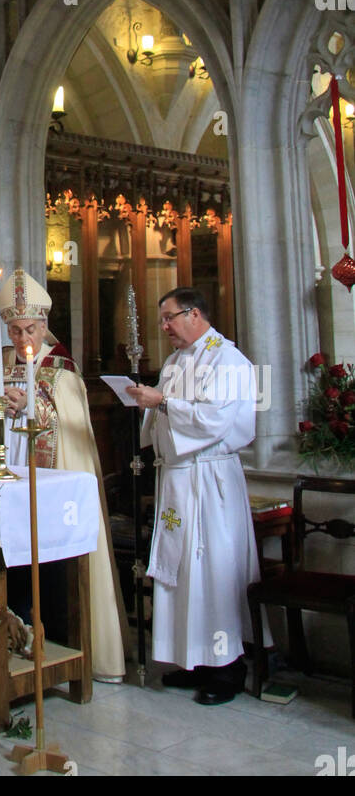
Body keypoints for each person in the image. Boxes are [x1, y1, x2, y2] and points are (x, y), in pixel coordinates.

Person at [0, 268, 127, 683]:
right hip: (8, 477)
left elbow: (69, 427)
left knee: (46, 562)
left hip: (47, 484)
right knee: (8, 556)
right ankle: (9, 633)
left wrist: (29, 407)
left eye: (30, 330)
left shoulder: (61, 368)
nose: (22, 340)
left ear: (44, 326)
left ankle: (58, 637)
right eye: (15, 330)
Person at [126, 287, 266, 705]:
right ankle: (193, 660)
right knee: (182, 570)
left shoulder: (228, 359)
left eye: (169, 317)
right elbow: (166, 412)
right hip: (177, 480)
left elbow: (214, 420)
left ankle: (226, 670)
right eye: (161, 319)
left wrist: (162, 402)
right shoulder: (174, 361)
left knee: (211, 572)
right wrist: (147, 404)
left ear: (196, 314)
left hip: (210, 483)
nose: (163, 326)